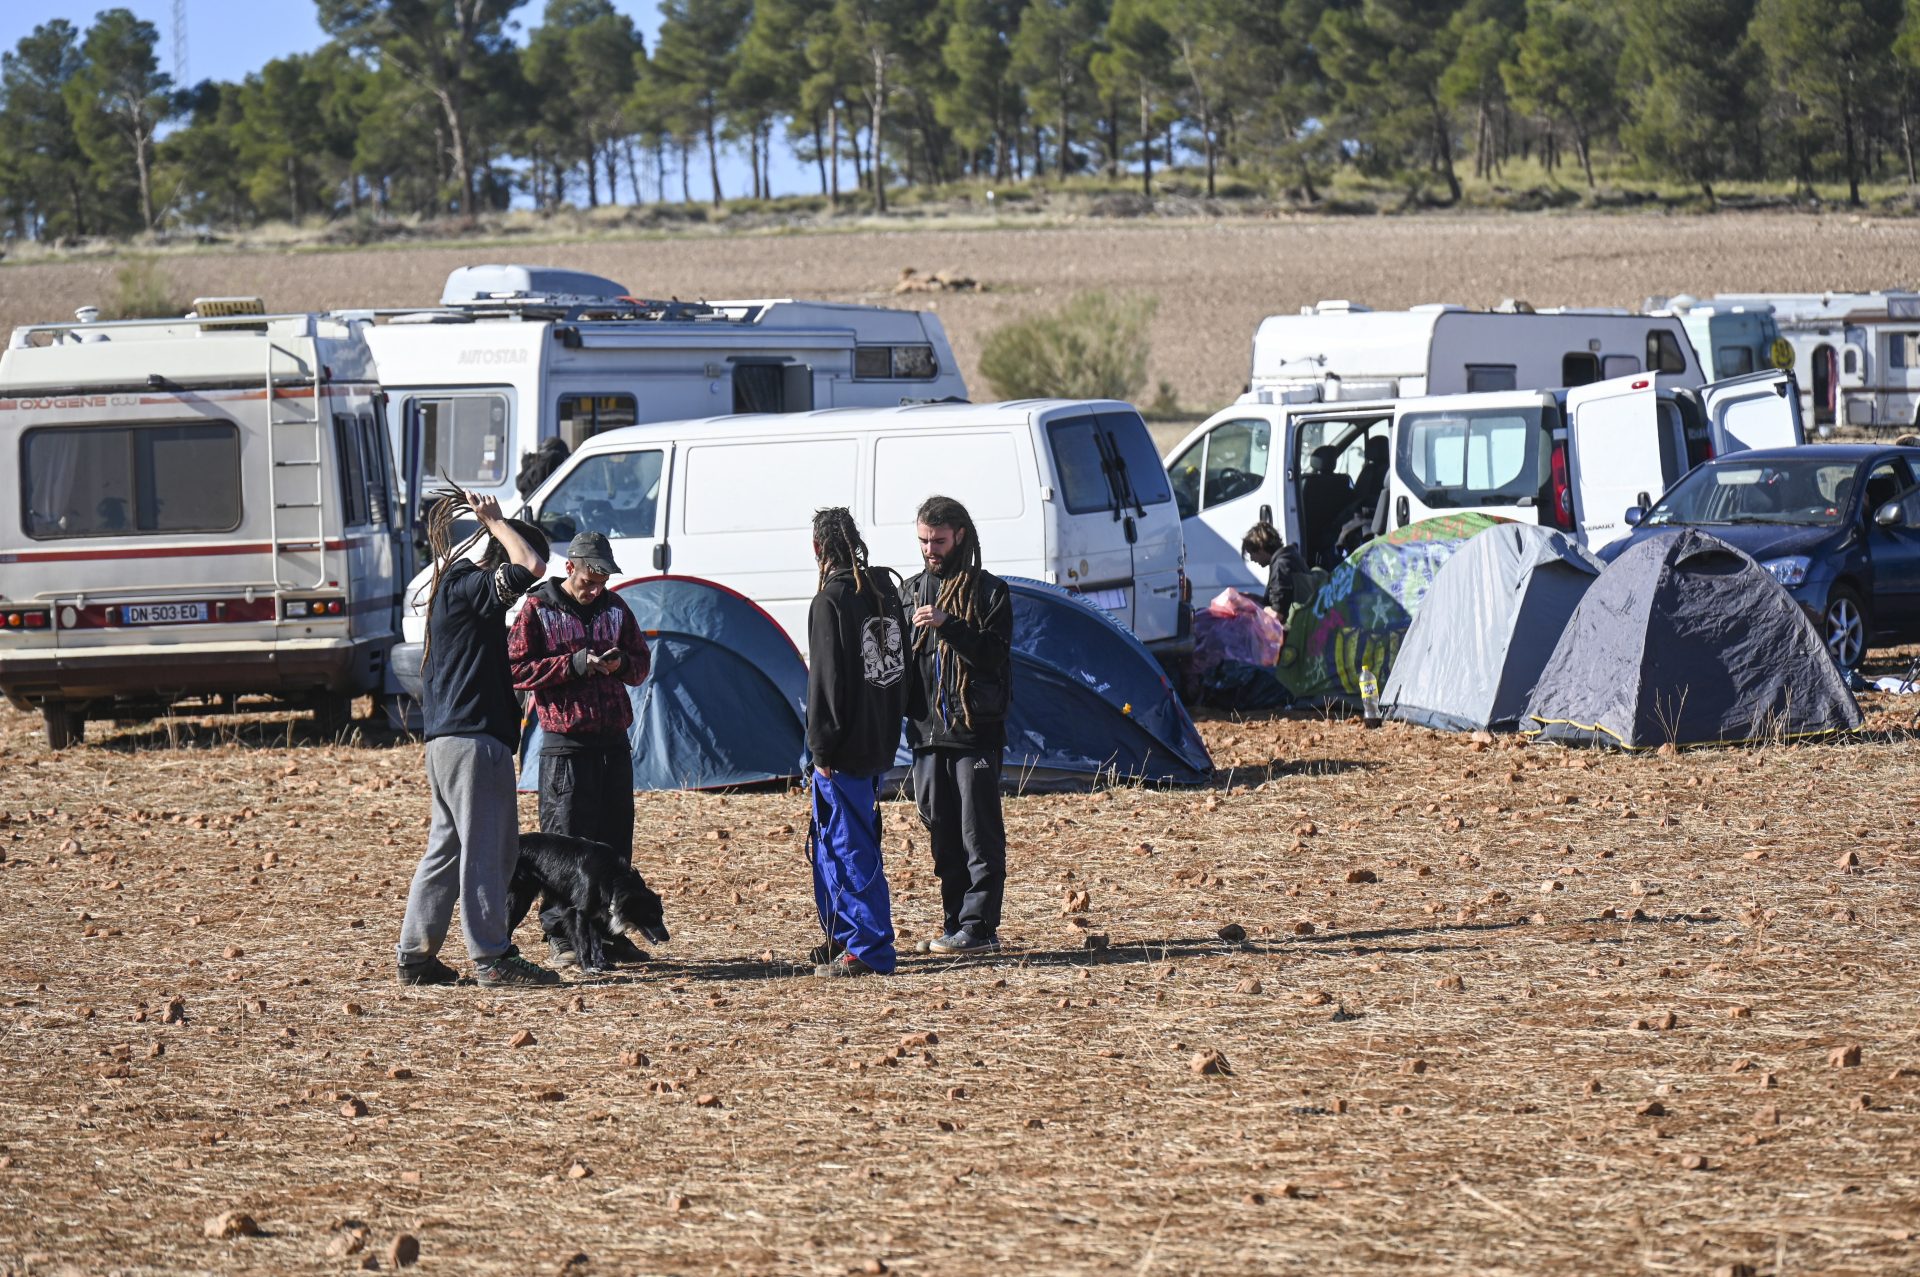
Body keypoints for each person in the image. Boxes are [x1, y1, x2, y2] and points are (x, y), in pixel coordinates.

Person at [396, 492, 559, 988]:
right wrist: (497, 523)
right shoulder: (471, 585)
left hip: (447, 742)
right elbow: (529, 565)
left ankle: (415, 957)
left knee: (445, 852)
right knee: (489, 851)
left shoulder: (453, 588)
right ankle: (492, 956)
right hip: (473, 744)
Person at [508, 531, 652, 968]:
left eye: (602, 582)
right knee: (564, 847)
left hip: (613, 741)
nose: (595, 589)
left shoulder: (616, 608)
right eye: (590, 581)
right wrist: (572, 665)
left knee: (613, 845)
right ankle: (561, 935)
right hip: (565, 746)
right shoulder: (537, 608)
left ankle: (609, 934)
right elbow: (515, 669)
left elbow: (641, 664)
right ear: (570, 568)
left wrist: (620, 664)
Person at [904, 495, 1013, 956]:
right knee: (943, 834)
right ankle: (955, 925)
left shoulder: (990, 592)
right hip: (927, 736)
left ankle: (980, 927)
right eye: (924, 541)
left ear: (960, 536)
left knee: (978, 835)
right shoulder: (910, 592)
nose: (930, 550)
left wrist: (950, 625)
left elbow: (993, 656)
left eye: (939, 541)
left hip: (974, 734)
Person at [805, 507, 910, 977]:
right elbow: (902, 667)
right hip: (878, 736)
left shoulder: (831, 600)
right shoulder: (883, 591)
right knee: (839, 842)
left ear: (817, 548)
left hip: (845, 747)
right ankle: (844, 933)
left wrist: (821, 748)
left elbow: (826, 682)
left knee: (848, 845)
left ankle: (867, 946)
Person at [1241, 520, 1311, 617]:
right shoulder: (1290, 556)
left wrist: (1252, 607)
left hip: (1293, 623)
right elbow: (1279, 600)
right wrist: (1253, 598)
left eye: (1251, 554)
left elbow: (1277, 614)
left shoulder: (1281, 566)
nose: (1252, 559)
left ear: (1261, 549)